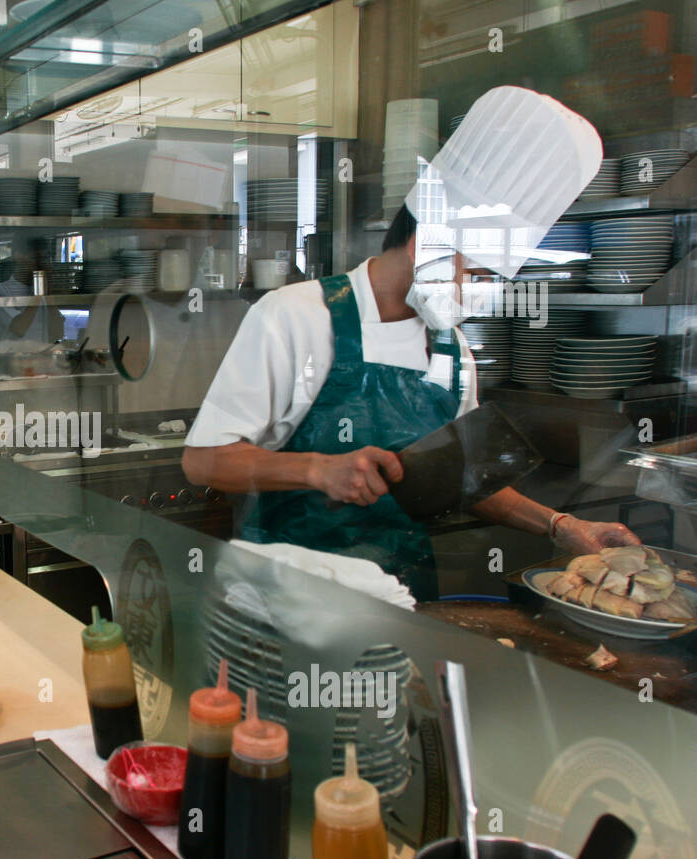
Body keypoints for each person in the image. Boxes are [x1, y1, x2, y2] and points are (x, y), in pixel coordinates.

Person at [183, 87, 639, 601]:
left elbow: (461, 481)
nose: (483, 294)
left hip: (405, 604)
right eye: (479, 272)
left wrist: (560, 525)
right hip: (288, 603)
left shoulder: (454, 351)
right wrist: (317, 469)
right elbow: (204, 461)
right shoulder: (295, 316)